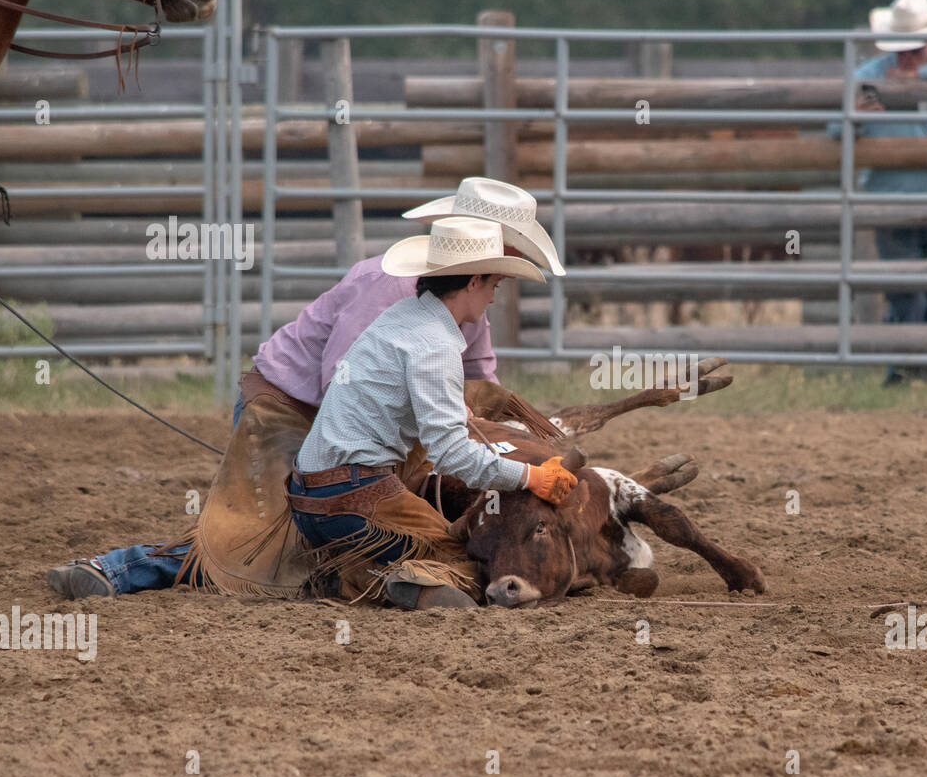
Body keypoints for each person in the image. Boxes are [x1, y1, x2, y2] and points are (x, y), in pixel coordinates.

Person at [46, 178, 563, 603]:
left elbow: (482, 383)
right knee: (262, 540)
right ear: (479, 262)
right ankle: (118, 571)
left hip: (352, 435)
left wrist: (505, 449)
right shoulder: (391, 290)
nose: (506, 275)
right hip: (290, 408)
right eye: (506, 259)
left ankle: (357, 576)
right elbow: (343, 384)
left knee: (313, 537)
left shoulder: (445, 306)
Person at [286, 218, 578, 609]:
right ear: (474, 280)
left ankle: (352, 570)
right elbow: (451, 454)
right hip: (353, 498)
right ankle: (367, 581)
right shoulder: (436, 345)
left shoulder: (404, 315)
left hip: (308, 496)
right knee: (466, 563)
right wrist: (533, 476)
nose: (493, 296)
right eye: (494, 284)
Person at [833, 0, 927, 385]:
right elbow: (836, 128)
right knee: (907, 293)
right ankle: (903, 373)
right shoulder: (868, 77)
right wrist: (855, 117)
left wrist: (918, 87)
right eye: (901, 50)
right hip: (891, 203)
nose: (906, 58)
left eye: (914, 50)